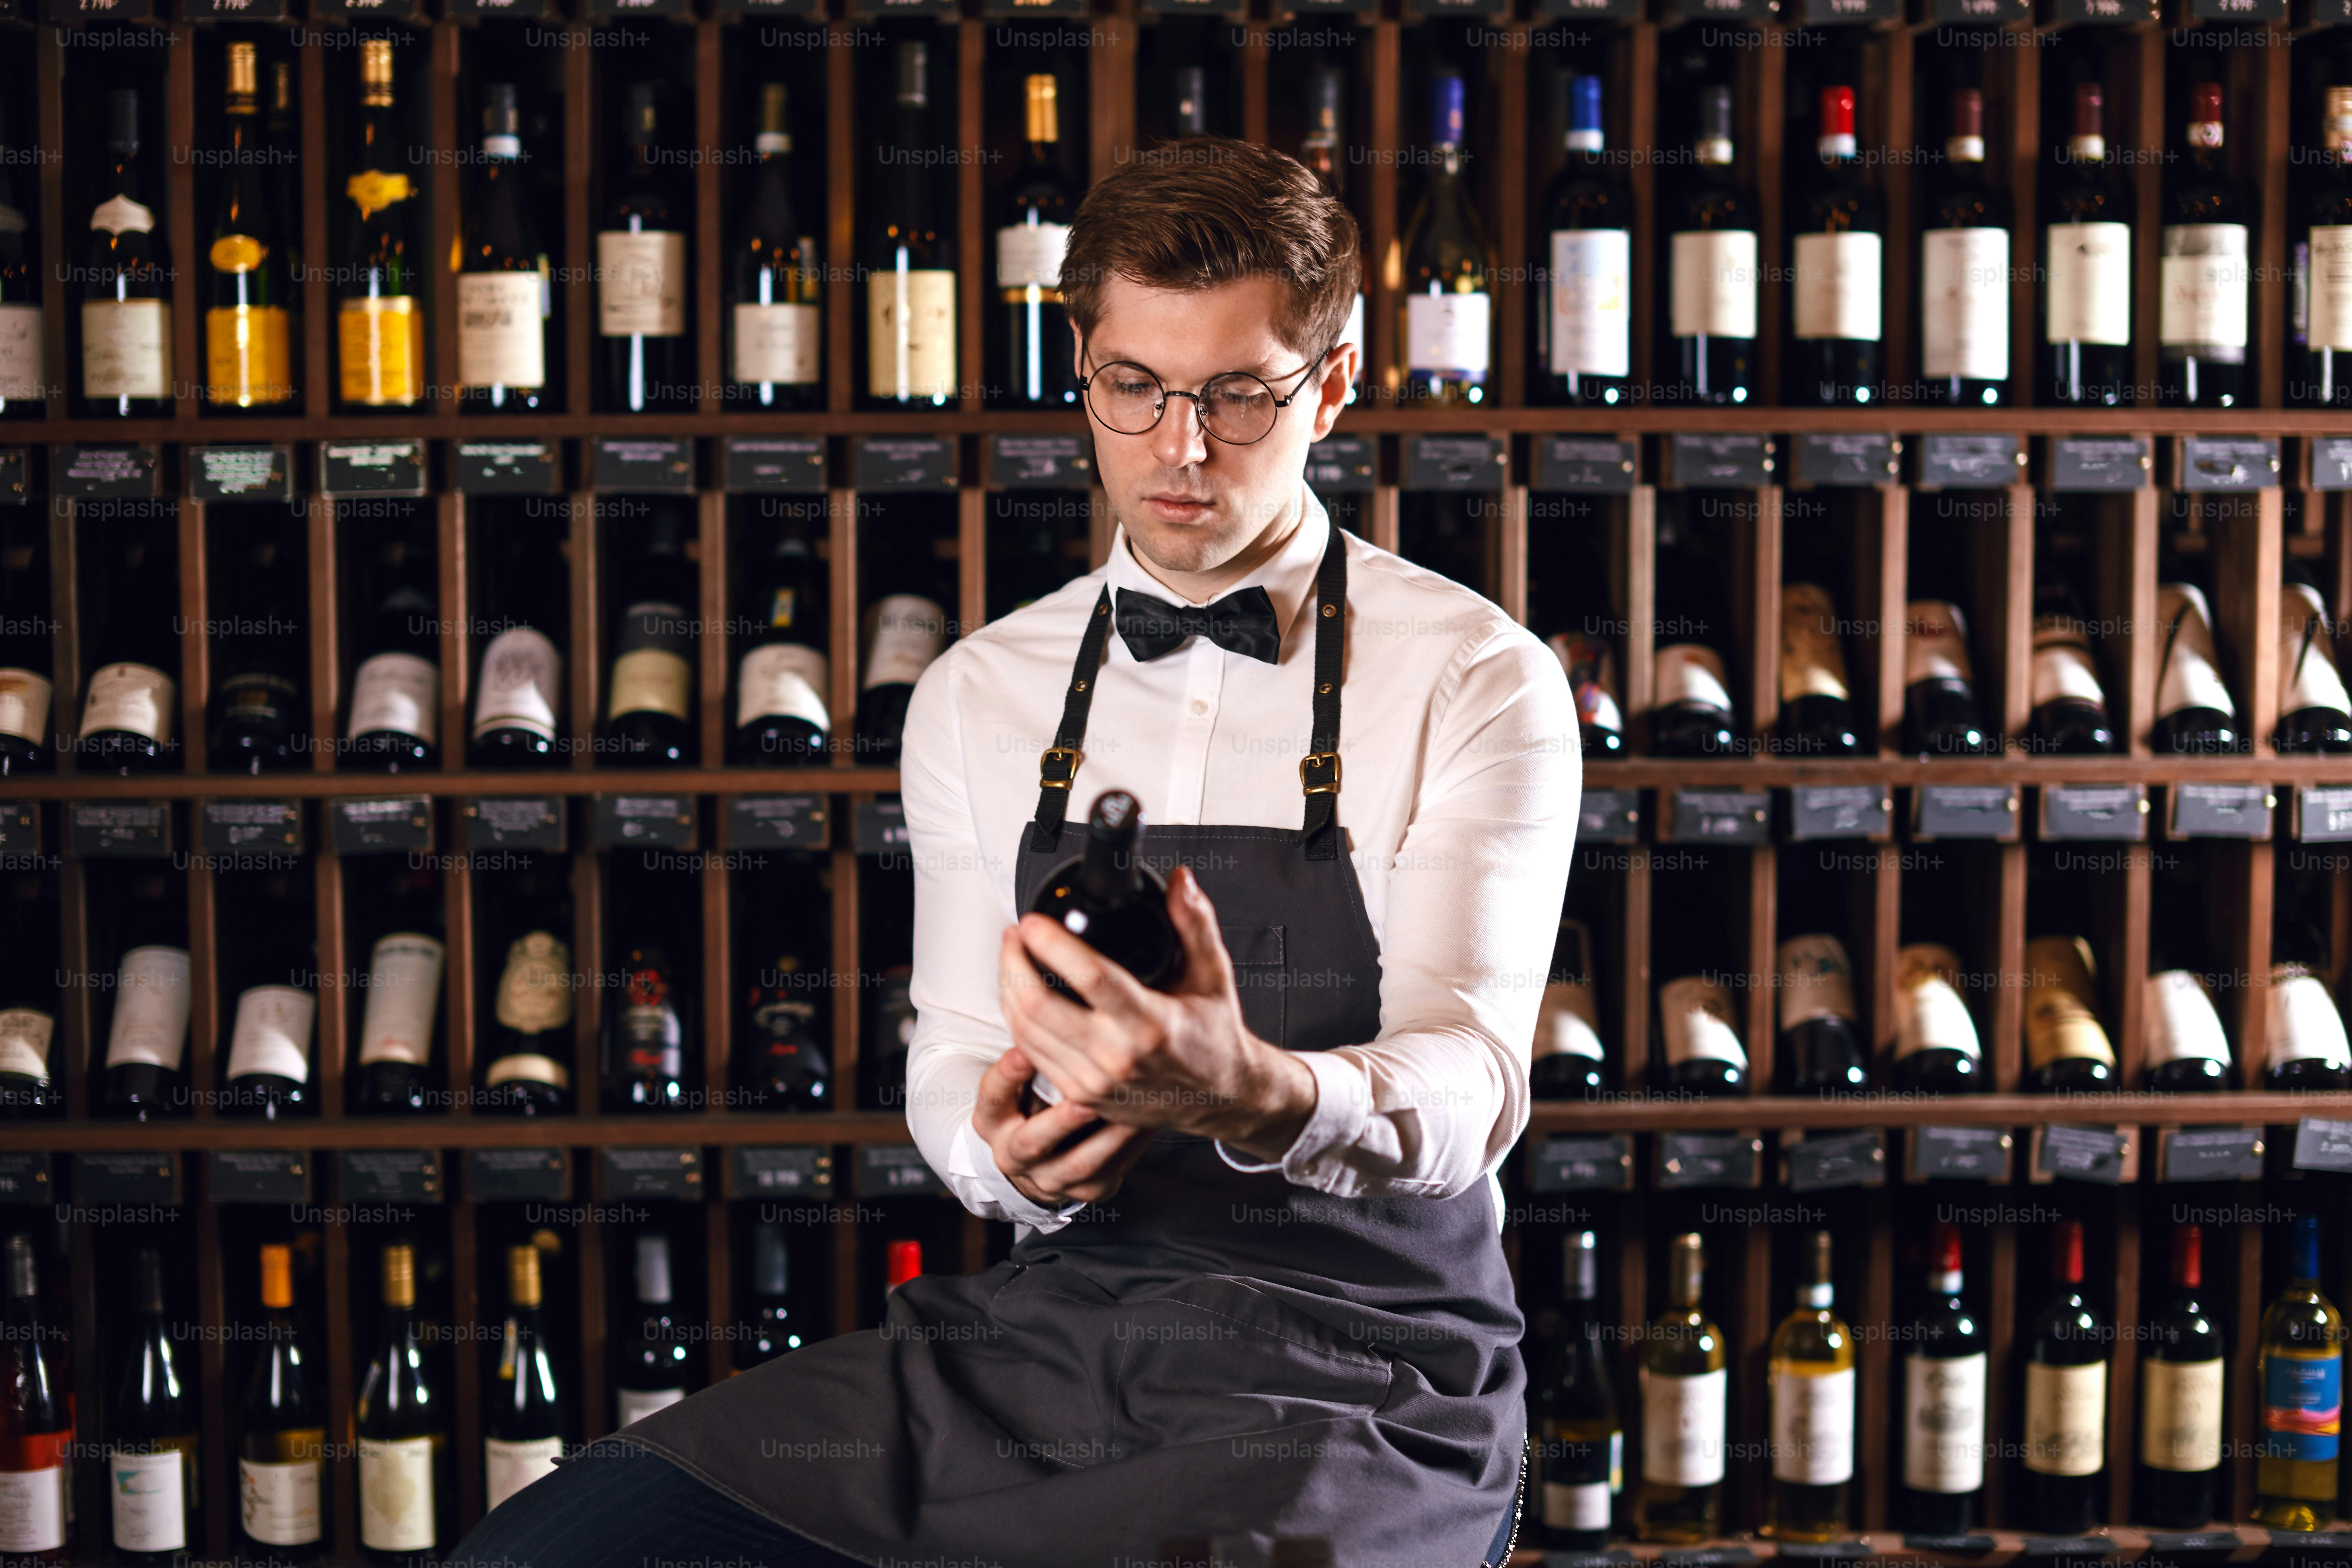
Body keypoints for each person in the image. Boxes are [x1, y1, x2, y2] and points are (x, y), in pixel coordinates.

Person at [448, 133, 1578, 1568]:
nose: (1179, 448)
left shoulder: (1474, 675)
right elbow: (951, 1053)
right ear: (1079, 364)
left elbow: (1473, 1084)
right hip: (1057, 1337)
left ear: (1334, 384)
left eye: (1239, 395)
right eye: (1134, 386)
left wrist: (1252, 1089)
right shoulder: (979, 692)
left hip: (1368, 1363)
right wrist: (1007, 1156)